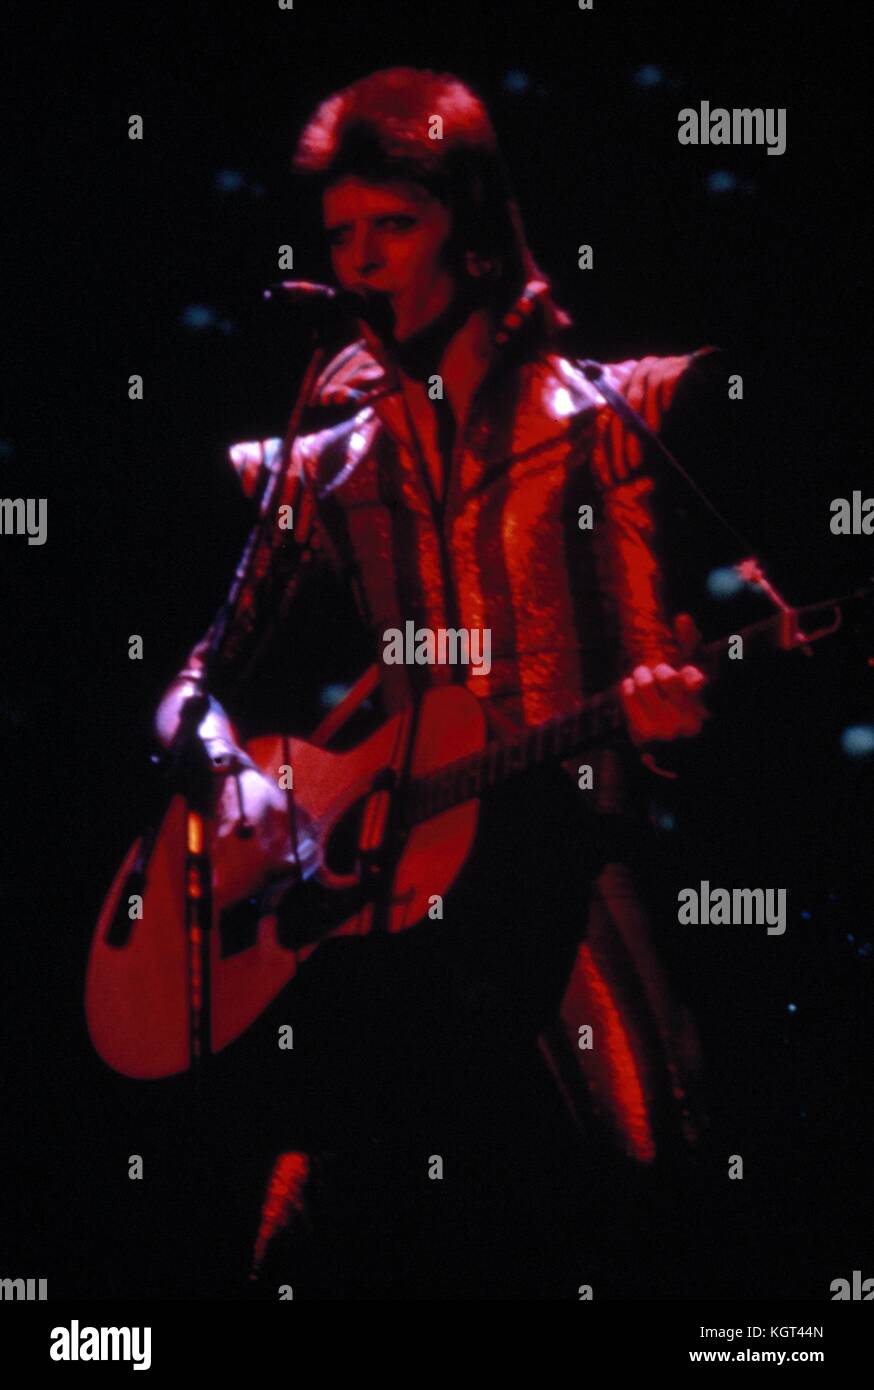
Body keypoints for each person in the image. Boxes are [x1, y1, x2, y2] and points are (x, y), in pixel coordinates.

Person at [154, 67, 716, 1296]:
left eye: (392, 227)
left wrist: (673, 721)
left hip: (572, 868)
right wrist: (230, 776)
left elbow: (674, 691)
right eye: (342, 236)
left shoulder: (608, 419)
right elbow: (192, 682)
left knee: (638, 1203)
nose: (362, 262)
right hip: (392, 893)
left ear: (470, 224)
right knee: (301, 1256)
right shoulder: (330, 466)